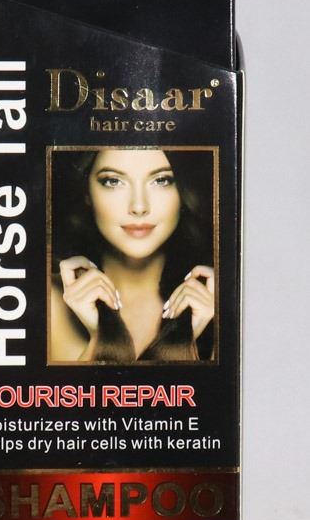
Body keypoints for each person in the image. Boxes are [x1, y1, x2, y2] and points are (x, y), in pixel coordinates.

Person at [50, 148, 215, 363]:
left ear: (183, 191)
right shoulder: (50, 301)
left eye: (161, 180)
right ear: (86, 192)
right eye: (113, 181)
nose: (139, 206)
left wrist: (188, 337)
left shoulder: (218, 303)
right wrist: (99, 341)